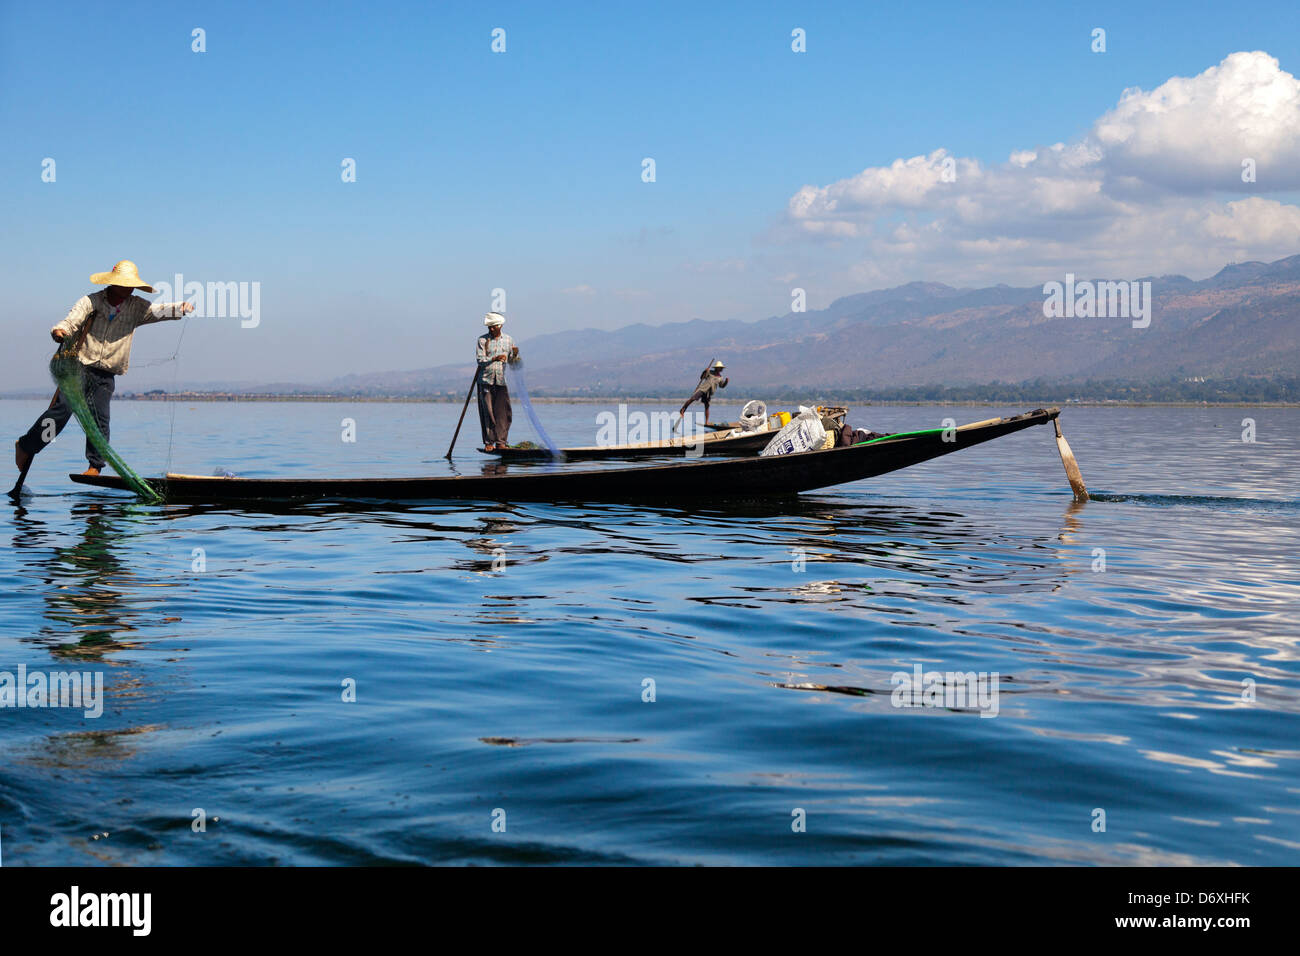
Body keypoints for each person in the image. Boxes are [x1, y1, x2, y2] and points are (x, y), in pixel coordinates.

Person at [14, 260, 194, 478]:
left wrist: (181, 308)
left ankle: (95, 467)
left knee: (101, 420)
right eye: (123, 284)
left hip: (106, 372)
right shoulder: (92, 301)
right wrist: (59, 330)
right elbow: (71, 321)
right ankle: (27, 445)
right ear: (113, 283)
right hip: (79, 367)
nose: (127, 289)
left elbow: (158, 311)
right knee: (62, 413)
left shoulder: (137, 307)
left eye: (130, 285)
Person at [476, 312, 519, 451]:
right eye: (489, 327)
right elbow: (480, 360)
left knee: (503, 412)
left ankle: (501, 442)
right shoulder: (483, 340)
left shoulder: (508, 340)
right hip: (485, 380)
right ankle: (489, 442)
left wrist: (515, 355)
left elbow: (513, 363)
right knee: (488, 412)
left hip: (500, 380)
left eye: (493, 326)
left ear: (500, 326)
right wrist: (494, 358)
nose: (491, 329)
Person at [678, 360, 729, 425]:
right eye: (719, 367)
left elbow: (722, 386)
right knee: (692, 399)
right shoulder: (710, 372)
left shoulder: (720, 377)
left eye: (721, 368)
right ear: (716, 368)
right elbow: (702, 377)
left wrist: (726, 382)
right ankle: (682, 409)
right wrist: (704, 371)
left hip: (709, 393)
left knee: (707, 406)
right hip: (702, 389)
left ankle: (706, 422)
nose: (720, 369)